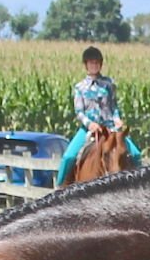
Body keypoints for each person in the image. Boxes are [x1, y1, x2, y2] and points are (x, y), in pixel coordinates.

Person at [56, 46, 139, 185]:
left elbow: (113, 106)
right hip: (89, 129)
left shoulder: (109, 84)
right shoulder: (80, 87)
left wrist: (117, 119)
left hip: (110, 128)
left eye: (96, 62)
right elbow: (79, 111)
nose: (94, 65)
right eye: (91, 63)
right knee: (68, 156)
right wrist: (90, 124)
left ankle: (139, 186)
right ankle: (60, 188)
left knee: (136, 153)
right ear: (86, 65)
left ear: (100, 64)